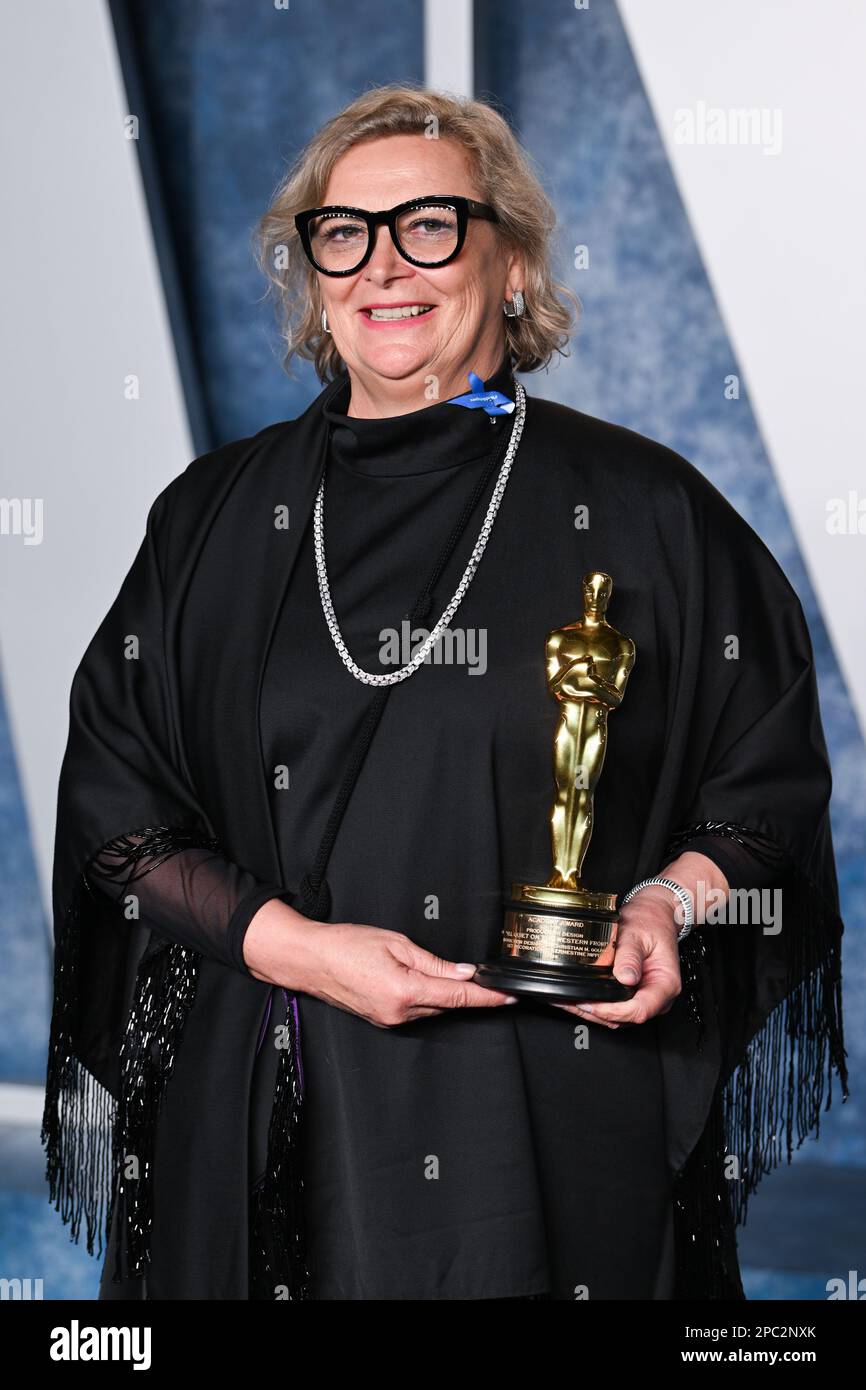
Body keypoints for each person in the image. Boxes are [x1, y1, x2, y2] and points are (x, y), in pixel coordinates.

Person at [43, 83, 847, 1302]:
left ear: (511, 261)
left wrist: (668, 903)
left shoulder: (645, 509)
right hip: (268, 1096)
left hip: (542, 1103)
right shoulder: (212, 517)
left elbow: (766, 782)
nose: (382, 266)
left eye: (431, 226)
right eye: (343, 233)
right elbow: (116, 800)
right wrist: (296, 950)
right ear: (313, 276)